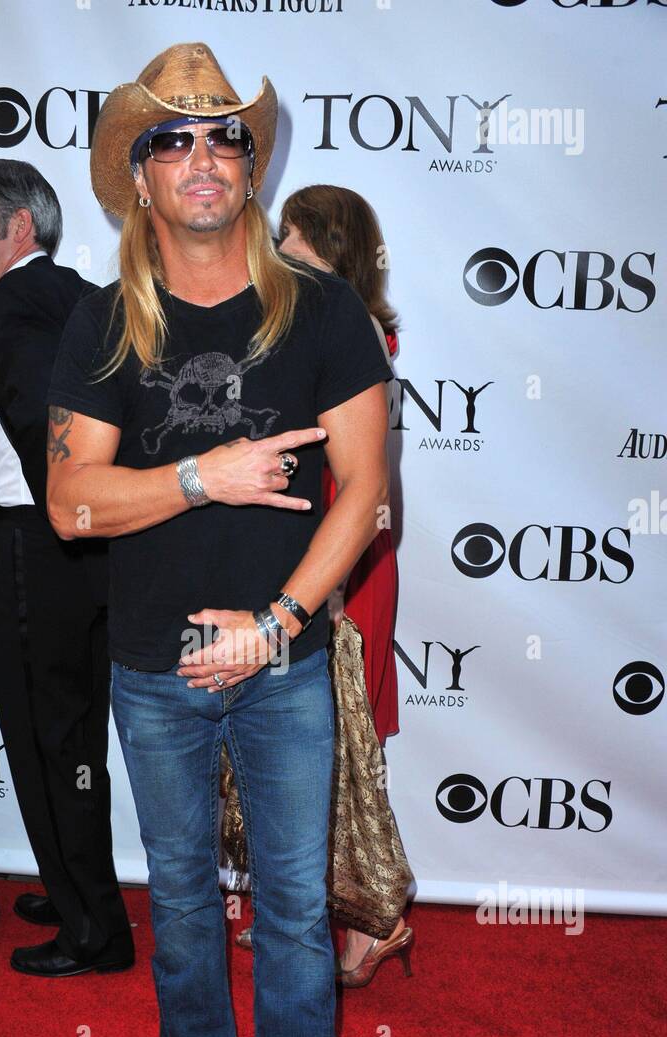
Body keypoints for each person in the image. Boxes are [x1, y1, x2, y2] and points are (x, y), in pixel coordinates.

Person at [46, 43, 393, 1037]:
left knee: (296, 918)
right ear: (138, 175)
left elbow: (365, 492)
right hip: (151, 668)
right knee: (185, 905)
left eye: (224, 137)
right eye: (174, 139)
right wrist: (202, 477)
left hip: (284, 661)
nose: (204, 157)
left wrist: (278, 623)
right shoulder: (106, 320)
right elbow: (71, 504)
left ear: (253, 165)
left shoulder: (325, 309)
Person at [0, 160, 134, 979]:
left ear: (17, 226)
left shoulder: (18, 301)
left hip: (37, 542)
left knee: (42, 735)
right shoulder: (78, 295)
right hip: (78, 551)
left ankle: (93, 929)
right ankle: (76, 895)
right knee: (72, 734)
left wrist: (62, 526)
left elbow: (35, 423)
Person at [277, 184, 413, 985]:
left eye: (289, 233)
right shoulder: (331, 321)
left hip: (347, 554)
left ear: (326, 243)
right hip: (335, 545)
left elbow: (360, 479)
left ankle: (376, 925)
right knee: (316, 745)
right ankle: (323, 914)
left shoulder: (347, 326)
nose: (278, 247)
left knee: (343, 743)